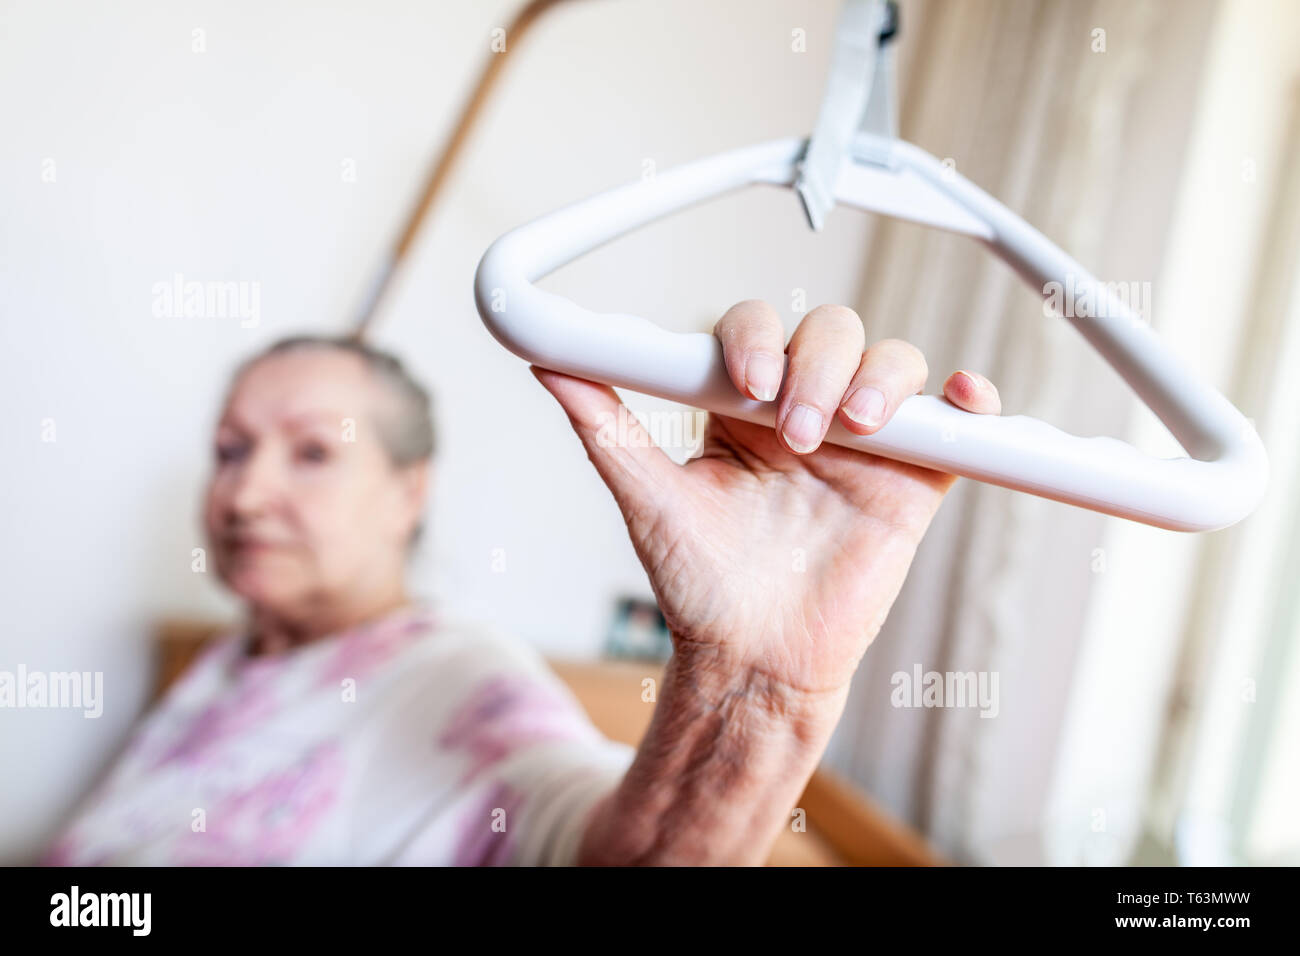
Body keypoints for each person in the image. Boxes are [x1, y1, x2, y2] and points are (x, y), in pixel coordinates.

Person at [41, 299, 1001, 865]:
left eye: (309, 455)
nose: (245, 492)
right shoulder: (226, 663)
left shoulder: (457, 682)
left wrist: (753, 691)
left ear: (407, 493)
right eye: (230, 450)